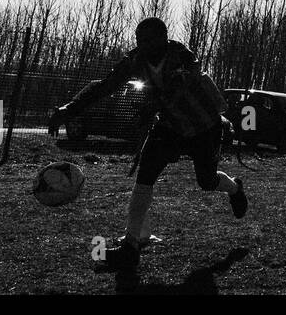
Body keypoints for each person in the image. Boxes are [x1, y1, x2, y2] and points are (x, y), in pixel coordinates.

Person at [48, 17, 247, 273]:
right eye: (139, 40)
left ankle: (234, 188)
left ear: (164, 38)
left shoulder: (183, 57)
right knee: (145, 176)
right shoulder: (136, 60)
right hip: (169, 128)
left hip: (204, 128)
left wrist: (154, 105)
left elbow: (178, 86)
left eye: (148, 40)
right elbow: (106, 85)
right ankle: (131, 246)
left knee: (206, 181)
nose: (143, 45)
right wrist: (69, 109)